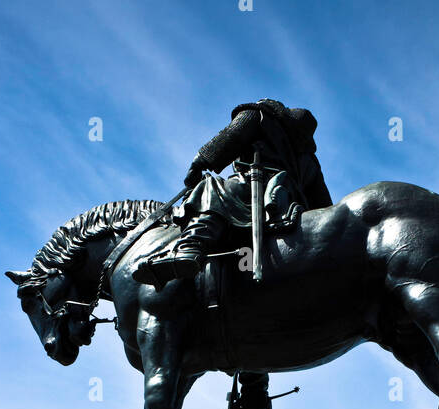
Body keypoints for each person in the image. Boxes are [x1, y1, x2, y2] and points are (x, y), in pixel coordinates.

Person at [133, 98, 332, 286]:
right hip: (290, 203)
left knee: (211, 188)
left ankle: (191, 246)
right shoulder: (310, 159)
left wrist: (199, 162)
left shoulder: (262, 116)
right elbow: (324, 206)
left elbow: (231, 136)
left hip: (255, 186)